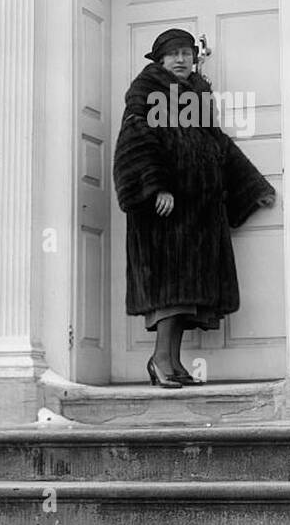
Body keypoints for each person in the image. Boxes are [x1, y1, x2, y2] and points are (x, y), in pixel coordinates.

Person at [113, 28, 276, 387]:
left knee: (188, 296)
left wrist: (252, 186)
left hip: (198, 211)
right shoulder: (148, 92)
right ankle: (159, 361)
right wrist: (157, 187)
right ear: (159, 60)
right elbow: (135, 138)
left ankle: (173, 364)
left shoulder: (196, 97)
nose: (180, 59)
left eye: (186, 53)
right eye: (172, 54)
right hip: (165, 210)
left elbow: (216, 143)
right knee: (171, 292)